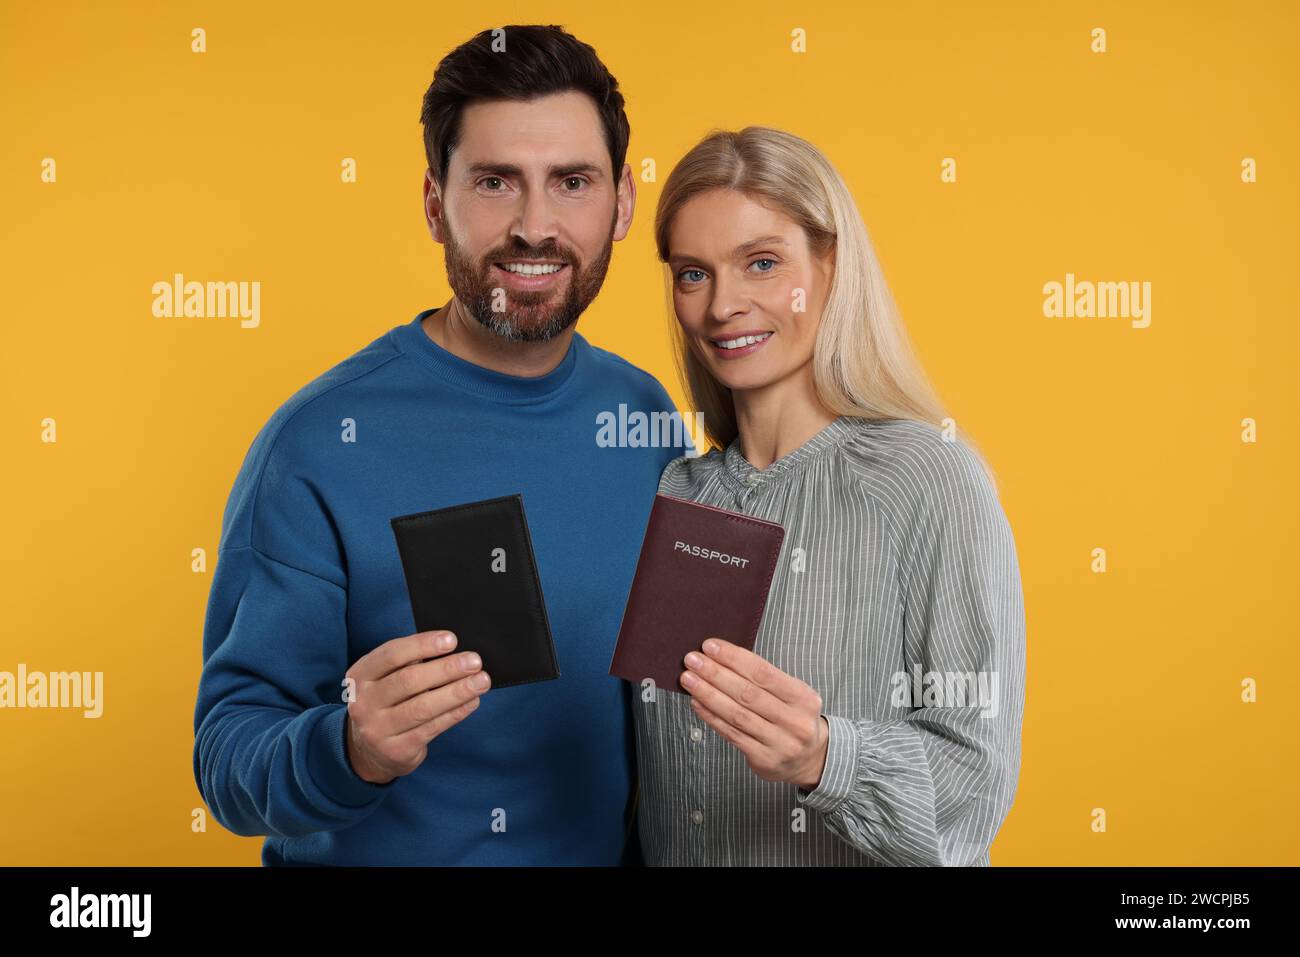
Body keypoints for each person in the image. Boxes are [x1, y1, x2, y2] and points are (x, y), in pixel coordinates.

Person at [192, 24, 689, 866]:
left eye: (572, 181)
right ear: (434, 203)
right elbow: (228, 755)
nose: (536, 227)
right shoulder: (317, 444)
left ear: (623, 203)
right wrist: (348, 747)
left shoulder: (644, 416)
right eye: (496, 182)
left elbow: (658, 722)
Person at [631, 126, 1026, 865]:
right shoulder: (675, 492)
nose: (723, 306)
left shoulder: (928, 478)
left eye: (762, 263)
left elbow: (977, 781)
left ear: (830, 264)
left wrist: (823, 755)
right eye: (693, 274)